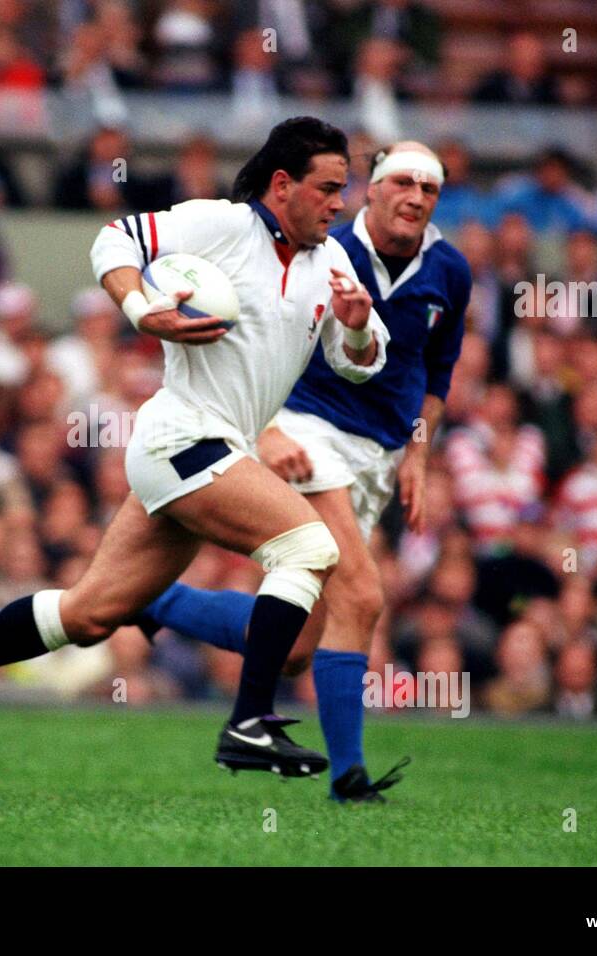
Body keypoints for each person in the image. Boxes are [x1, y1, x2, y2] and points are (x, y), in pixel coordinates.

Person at [0, 117, 391, 778]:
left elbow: (360, 363)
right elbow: (115, 240)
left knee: (89, 613)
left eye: (347, 188)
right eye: (331, 187)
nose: (343, 202)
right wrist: (142, 311)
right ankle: (250, 724)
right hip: (182, 438)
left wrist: (360, 328)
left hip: (213, 449)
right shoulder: (223, 225)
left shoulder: (332, 261)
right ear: (283, 185)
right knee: (309, 547)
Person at [138, 142, 469, 801]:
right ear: (371, 190)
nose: (415, 197)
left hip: (379, 454)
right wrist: (267, 429)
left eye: (429, 190)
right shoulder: (327, 249)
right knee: (364, 594)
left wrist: (420, 452)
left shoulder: (451, 269)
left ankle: (155, 599)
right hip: (310, 432)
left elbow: (438, 370)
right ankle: (349, 777)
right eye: (401, 182)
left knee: (300, 644)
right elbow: (258, 342)